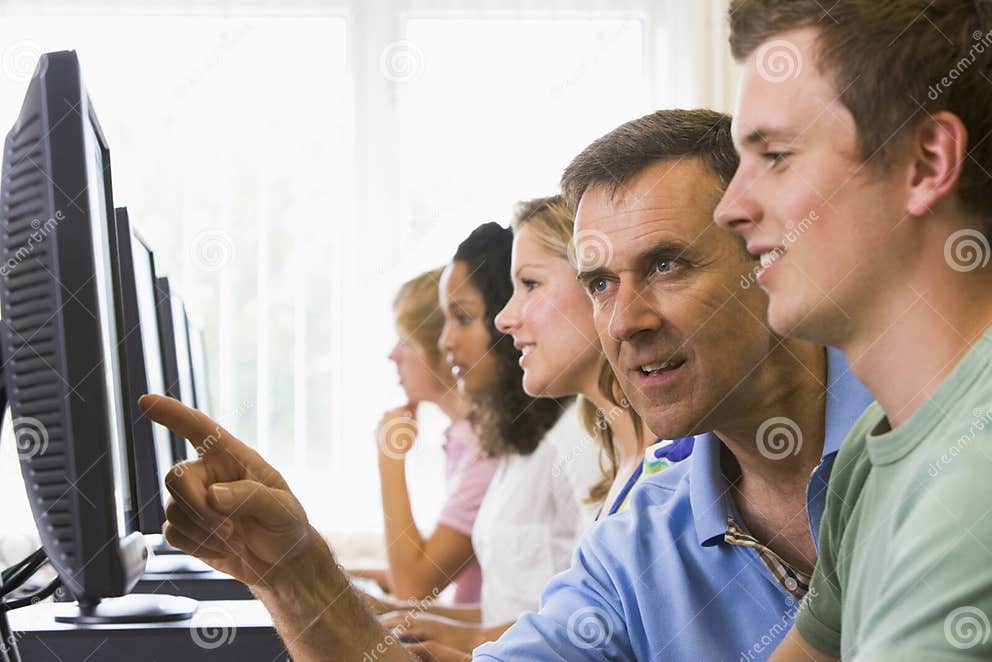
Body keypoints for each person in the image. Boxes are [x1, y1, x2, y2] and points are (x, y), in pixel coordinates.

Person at [139, 109, 872, 662]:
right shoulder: (645, 528)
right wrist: (291, 572)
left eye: (667, 266)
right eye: (598, 285)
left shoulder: (932, 423)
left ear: (773, 257)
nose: (625, 322)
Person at [715, 2, 992, 660]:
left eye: (776, 156)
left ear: (926, 163)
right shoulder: (872, 450)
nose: (730, 208)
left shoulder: (976, 480)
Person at [380, 196, 666, 654]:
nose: (504, 318)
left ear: (598, 286)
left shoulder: (606, 450)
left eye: (531, 285)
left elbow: (610, 637)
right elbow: (568, 618)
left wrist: (464, 643)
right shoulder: (605, 446)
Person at [350, 268, 498, 605]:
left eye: (406, 341)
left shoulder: (487, 450)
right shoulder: (464, 438)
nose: (393, 356)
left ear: (443, 348)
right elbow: (439, 565)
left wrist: (389, 458)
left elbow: (413, 587)